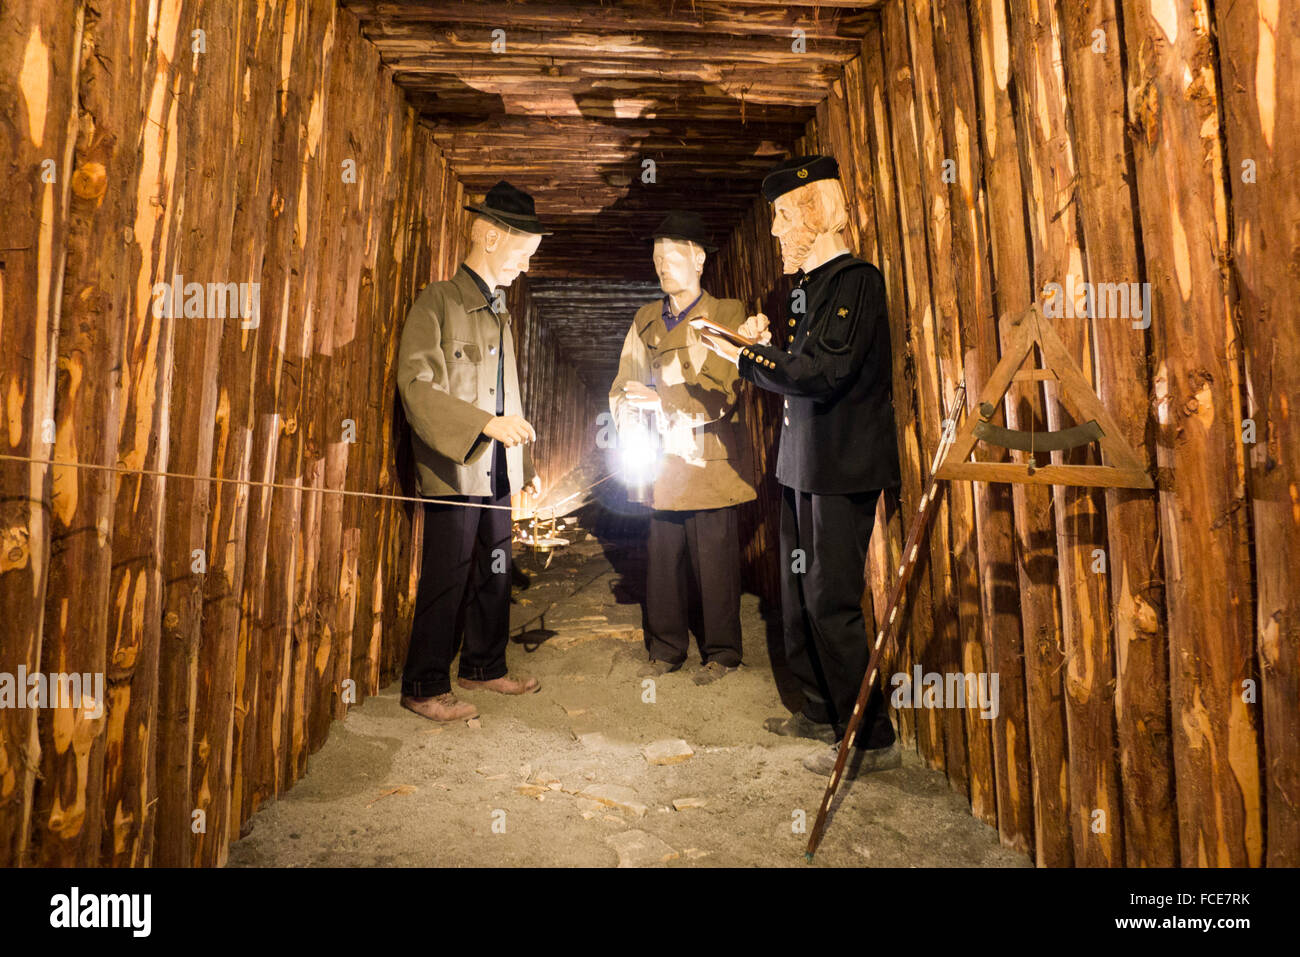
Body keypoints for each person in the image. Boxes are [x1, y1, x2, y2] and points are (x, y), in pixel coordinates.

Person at [700, 156, 903, 776]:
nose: (775, 231)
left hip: (842, 468)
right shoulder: (806, 289)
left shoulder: (856, 282)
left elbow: (824, 375)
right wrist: (759, 347)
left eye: (784, 216)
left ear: (816, 213)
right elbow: (799, 363)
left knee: (830, 599)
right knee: (795, 595)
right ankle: (819, 708)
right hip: (800, 464)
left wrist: (748, 358)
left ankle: (868, 738)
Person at [395, 181, 549, 722]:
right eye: (523, 254)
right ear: (488, 237)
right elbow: (416, 387)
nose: (525, 267)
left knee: (496, 570)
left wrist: (524, 466)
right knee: (449, 573)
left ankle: (483, 667)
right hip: (456, 469)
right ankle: (424, 684)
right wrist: (485, 425)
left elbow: (510, 398)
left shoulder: (501, 313)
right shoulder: (437, 302)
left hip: (499, 470)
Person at [609, 211, 757, 685]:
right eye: (656, 259)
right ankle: (666, 648)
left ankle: (723, 653)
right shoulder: (646, 319)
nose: (661, 266)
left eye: (671, 256)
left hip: (710, 461)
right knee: (663, 561)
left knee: (714, 562)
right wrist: (632, 423)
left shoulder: (727, 314)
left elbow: (724, 388)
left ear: (698, 259)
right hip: (662, 464)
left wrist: (662, 401)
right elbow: (624, 384)